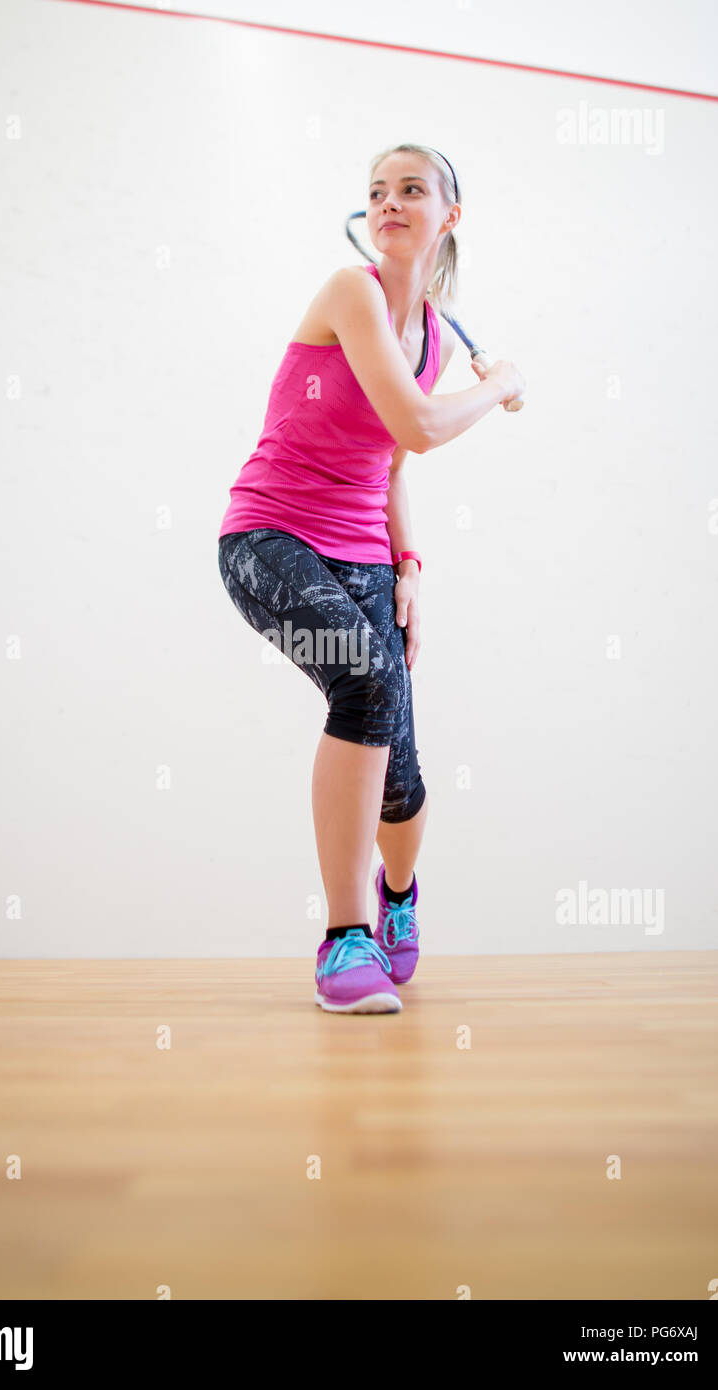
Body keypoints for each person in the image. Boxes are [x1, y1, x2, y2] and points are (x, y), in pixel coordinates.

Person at [217, 142, 525, 1014]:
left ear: (448, 217)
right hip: (267, 537)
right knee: (364, 679)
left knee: (404, 770)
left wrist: (410, 566)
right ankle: (345, 939)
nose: (389, 202)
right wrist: (501, 386)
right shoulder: (352, 293)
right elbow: (424, 426)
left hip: (364, 556)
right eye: (377, 191)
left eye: (411, 189)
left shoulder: (430, 336)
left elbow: (391, 458)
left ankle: (397, 898)